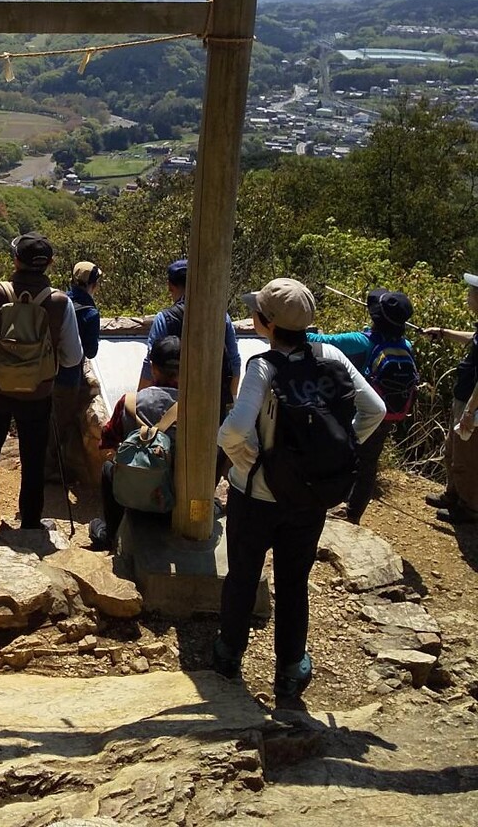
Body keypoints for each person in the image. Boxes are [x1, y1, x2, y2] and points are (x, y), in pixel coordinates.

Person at [213, 278, 385, 699]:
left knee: (242, 576)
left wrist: (247, 457)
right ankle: (290, 669)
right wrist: (338, 449)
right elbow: (376, 409)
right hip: (310, 495)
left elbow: (232, 430)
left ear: (266, 322)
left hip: (255, 496)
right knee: (294, 581)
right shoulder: (332, 356)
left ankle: (228, 657)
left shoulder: (264, 366)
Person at [0, 232, 83, 537]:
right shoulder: (60, 302)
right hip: (39, 392)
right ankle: (31, 523)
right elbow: (73, 358)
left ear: (16, 260)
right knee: (33, 457)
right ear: (49, 264)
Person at [307, 289, 417, 524]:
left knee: (348, 456)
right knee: (369, 464)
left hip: (364, 413)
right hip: (389, 412)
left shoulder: (363, 341)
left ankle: (342, 508)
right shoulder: (405, 343)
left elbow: (319, 341)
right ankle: (354, 512)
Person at [139, 258, 241, 478]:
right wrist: (230, 399)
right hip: (214, 400)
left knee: (171, 457)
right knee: (207, 462)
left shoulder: (164, 318)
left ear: (170, 286)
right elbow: (235, 360)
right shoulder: (221, 316)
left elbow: (150, 362)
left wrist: (141, 397)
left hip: (172, 403)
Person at [90, 334, 181, 551]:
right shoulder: (194, 406)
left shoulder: (130, 402)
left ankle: (111, 534)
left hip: (133, 495)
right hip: (176, 496)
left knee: (108, 469)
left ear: (153, 368)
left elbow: (107, 441)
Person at [422, 272, 478, 525]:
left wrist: (470, 409)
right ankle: (453, 494)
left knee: (467, 457)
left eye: (471, 293)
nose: (468, 296)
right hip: (464, 400)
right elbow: (473, 339)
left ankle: (470, 508)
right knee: (452, 449)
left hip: (471, 404)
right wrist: (443, 332)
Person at [46, 260, 102, 484]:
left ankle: (46, 464)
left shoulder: (57, 301)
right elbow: (91, 351)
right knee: (61, 422)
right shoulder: (90, 314)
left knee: (45, 420)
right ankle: (49, 470)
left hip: (43, 371)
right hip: (68, 377)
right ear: (93, 284)